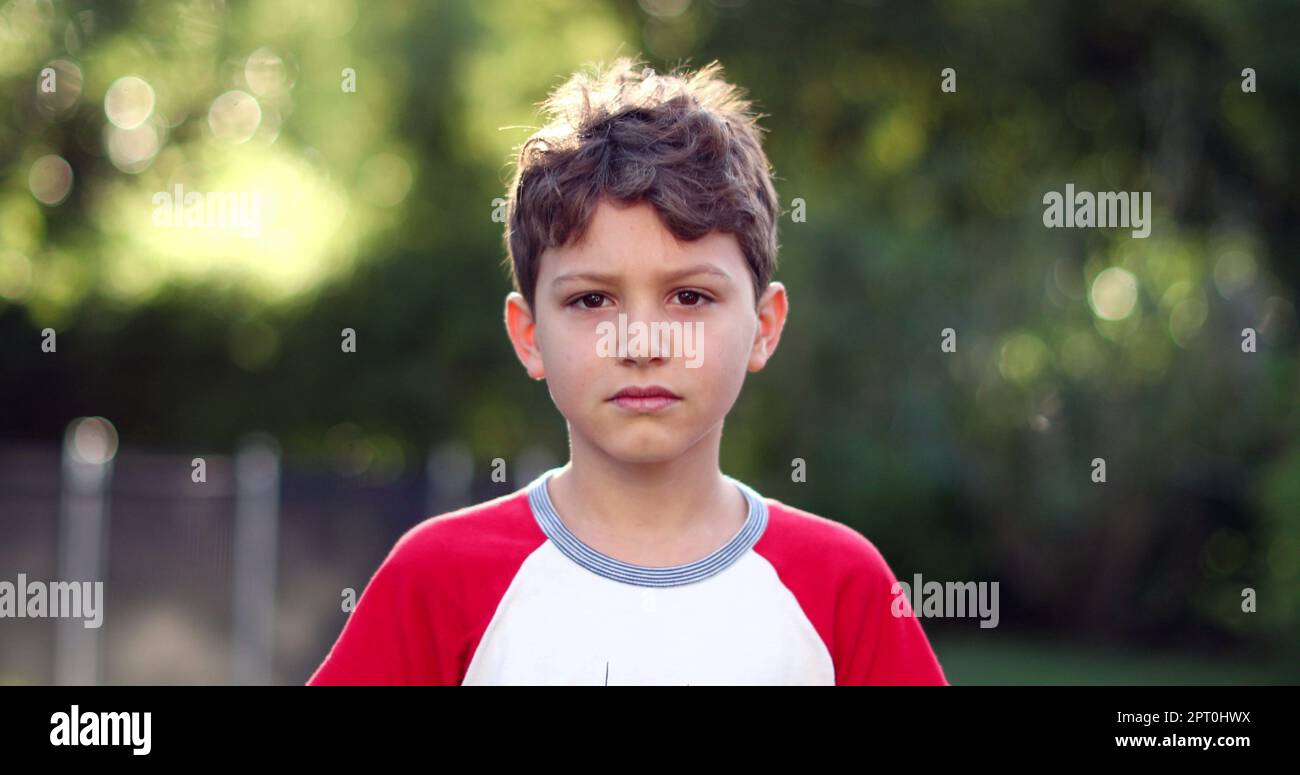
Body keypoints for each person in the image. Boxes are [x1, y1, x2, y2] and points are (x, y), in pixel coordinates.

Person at [308, 56, 947, 685]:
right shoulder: (438, 577)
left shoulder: (842, 587)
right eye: (592, 300)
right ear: (529, 336)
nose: (641, 343)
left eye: (690, 297)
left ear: (765, 326)